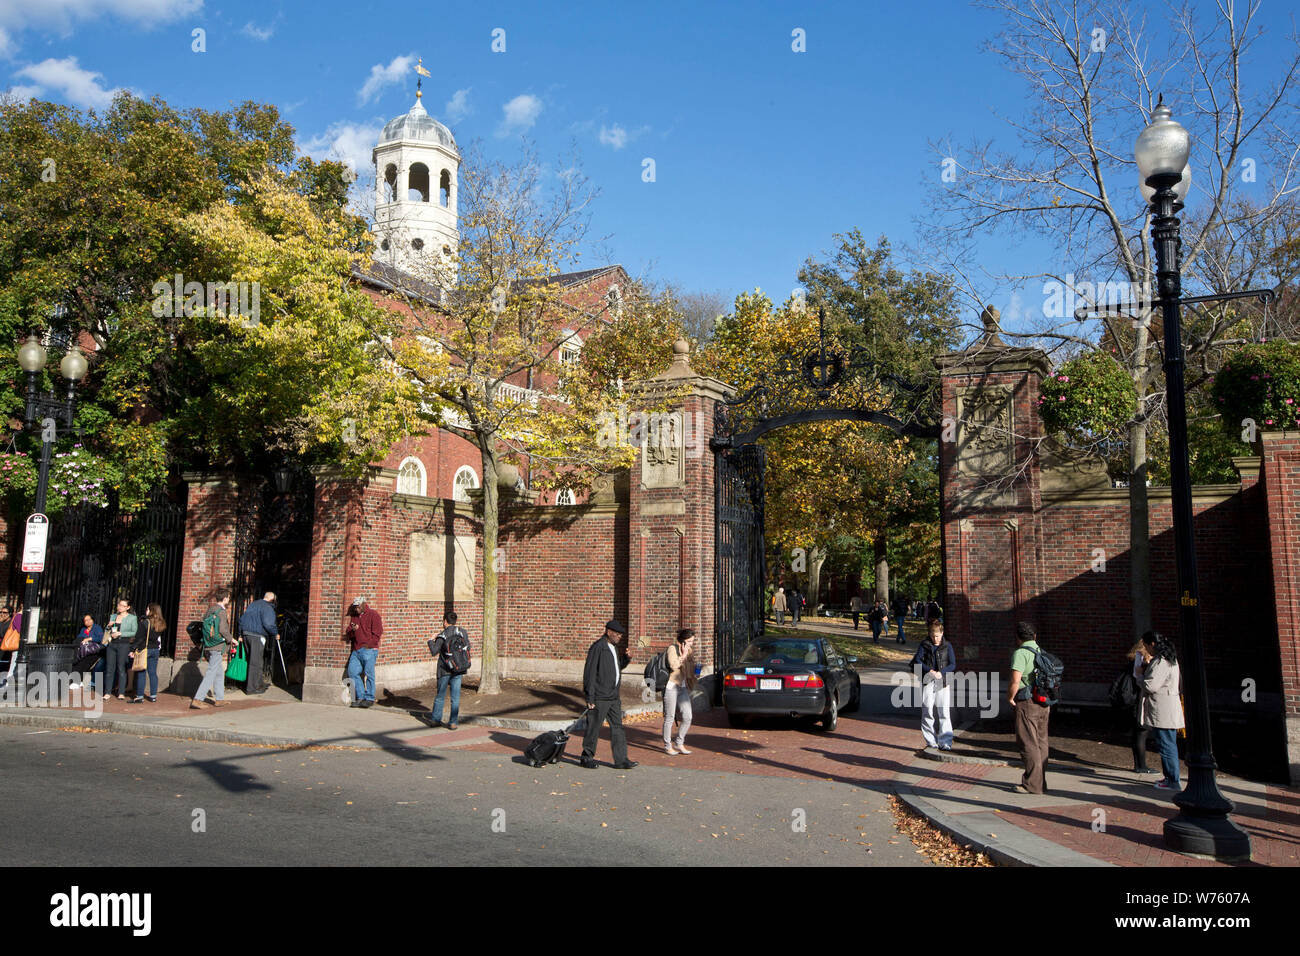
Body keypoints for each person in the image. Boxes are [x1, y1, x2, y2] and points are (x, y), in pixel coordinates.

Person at [580, 620, 636, 769]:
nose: (619, 637)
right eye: (617, 634)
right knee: (594, 727)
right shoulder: (598, 647)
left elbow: (616, 668)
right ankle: (587, 757)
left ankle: (621, 759)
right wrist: (589, 696)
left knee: (618, 727)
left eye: (620, 635)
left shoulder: (613, 647)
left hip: (613, 697)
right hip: (599, 697)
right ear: (609, 632)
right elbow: (590, 673)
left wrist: (626, 659)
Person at [1138, 631, 1185, 791]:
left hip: (1163, 708)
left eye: (1146, 645)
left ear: (1152, 644)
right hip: (1169, 706)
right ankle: (1171, 777)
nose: (1146, 649)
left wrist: (1139, 676)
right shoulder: (1169, 659)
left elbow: (1151, 686)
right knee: (1169, 743)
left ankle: (1172, 779)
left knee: (1166, 745)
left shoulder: (1161, 661)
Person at [1007, 621, 1050, 794]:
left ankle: (1032, 784)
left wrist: (1010, 697)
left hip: (1027, 701)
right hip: (1044, 702)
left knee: (1028, 742)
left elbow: (1015, 680)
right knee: (1041, 742)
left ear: (1018, 637)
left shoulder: (1020, 653)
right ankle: (1041, 782)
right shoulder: (1041, 652)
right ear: (1034, 636)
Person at [910, 619, 956, 750]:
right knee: (927, 711)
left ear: (942, 633)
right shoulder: (924, 644)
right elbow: (917, 660)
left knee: (944, 712)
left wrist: (942, 672)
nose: (935, 638)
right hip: (928, 680)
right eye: (932, 636)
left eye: (937, 636)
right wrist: (929, 670)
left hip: (942, 680)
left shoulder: (948, 646)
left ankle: (945, 741)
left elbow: (953, 664)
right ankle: (931, 741)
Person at [191, 590, 234, 708]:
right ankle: (198, 699)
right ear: (225, 598)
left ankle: (219, 699)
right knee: (211, 672)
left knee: (219, 672)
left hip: (208, 644)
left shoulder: (211, 609)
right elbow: (223, 630)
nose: (229, 599)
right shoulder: (221, 612)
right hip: (217, 645)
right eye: (228, 597)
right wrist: (232, 639)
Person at [427, 611, 469, 729]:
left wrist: (431, 640)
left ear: (445, 621)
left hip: (444, 669)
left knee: (440, 695)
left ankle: (435, 719)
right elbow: (468, 648)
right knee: (455, 697)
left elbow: (434, 651)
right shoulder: (463, 633)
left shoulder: (443, 635)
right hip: (458, 668)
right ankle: (453, 722)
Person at [663, 628, 698, 755]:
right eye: (689, 641)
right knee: (670, 717)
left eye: (692, 641)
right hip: (672, 686)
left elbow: (690, 668)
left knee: (688, 716)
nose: (691, 644)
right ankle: (667, 745)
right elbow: (674, 665)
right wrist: (683, 655)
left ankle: (679, 742)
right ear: (682, 641)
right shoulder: (672, 649)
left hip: (682, 687)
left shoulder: (690, 650)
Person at [1123, 641, 1157, 774]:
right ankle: (1141, 765)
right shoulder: (1141, 664)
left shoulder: (1130, 662)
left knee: (1137, 735)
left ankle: (1138, 764)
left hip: (1131, 701)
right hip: (1139, 701)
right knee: (1141, 734)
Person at [238, 591, 280, 695]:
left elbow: (242, 619)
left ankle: (257, 683)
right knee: (256, 662)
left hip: (246, 634)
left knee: (251, 660)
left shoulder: (253, 604)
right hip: (257, 636)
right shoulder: (268, 608)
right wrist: (275, 633)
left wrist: (240, 634)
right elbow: (269, 624)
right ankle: (252, 688)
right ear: (272, 600)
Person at [345, 595, 383, 708]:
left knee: (369, 674)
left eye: (357, 607)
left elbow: (378, 632)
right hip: (356, 650)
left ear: (363, 605)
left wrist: (369, 645)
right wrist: (352, 629)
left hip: (369, 650)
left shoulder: (373, 615)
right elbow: (348, 632)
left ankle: (370, 697)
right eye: (354, 607)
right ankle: (360, 696)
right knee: (352, 672)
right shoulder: (354, 617)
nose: (356, 609)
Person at [103, 598, 138, 700]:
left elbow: (134, 632)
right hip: (112, 644)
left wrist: (121, 633)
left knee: (121, 668)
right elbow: (107, 630)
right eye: (119, 605)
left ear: (128, 607)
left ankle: (121, 692)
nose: (120, 607)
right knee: (109, 669)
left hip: (123, 644)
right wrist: (108, 626)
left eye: (123, 606)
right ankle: (107, 692)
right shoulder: (113, 616)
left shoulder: (132, 618)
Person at [131, 604, 166, 703]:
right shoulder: (161, 623)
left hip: (145, 649)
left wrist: (132, 649)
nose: (146, 611)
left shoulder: (145, 622)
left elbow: (139, 638)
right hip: (155, 649)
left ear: (151, 611)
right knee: (153, 673)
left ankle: (140, 696)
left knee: (141, 672)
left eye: (147, 609)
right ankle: (153, 695)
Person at [71, 613, 105, 690]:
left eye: (89, 619)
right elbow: (79, 638)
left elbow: (100, 638)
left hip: (95, 651)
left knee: (86, 661)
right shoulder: (83, 629)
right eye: (86, 620)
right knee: (77, 661)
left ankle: (77, 681)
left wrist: (89, 639)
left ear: (92, 620)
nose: (88, 621)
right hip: (85, 650)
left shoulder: (97, 628)